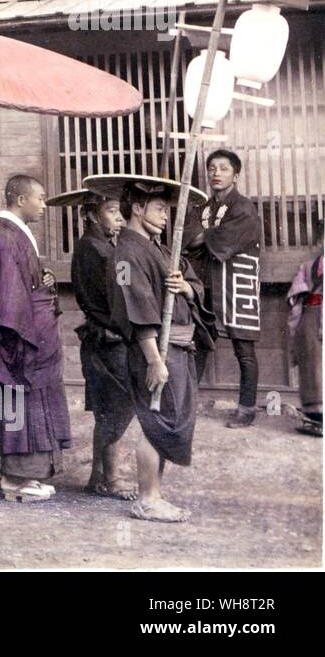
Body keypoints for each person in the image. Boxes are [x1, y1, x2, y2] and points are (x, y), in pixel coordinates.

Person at [102, 177, 207, 523]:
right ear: (136, 208)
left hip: (177, 345)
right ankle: (147, 498)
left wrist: (186, 288)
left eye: (167, 209)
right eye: (160, 208)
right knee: (155, 421)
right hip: (155, 349)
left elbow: (194, 283)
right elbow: (134, 304)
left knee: (167, 419)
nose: (166, 216)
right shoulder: (126, 253)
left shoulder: (161, 248)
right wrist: (153, 358)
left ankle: (155, 494)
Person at [0, 175, 71, 503]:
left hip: (33, 331)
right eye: (40, 198)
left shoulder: (14, 234)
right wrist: (20, 334)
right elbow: (9, 298)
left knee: (34, 402)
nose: (44, 205)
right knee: (21, 401)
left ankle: (28, 476)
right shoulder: (2, 236)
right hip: (18, 336)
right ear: (19, 199)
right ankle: (15, 478)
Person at [182, 149, 263, 428]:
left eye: (224, 168)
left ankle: (247, 408)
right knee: (200, 343)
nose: (217, 173)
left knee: (244, 349)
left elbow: (226, 239)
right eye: (212, 168)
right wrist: (206, 236)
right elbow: (188, 240)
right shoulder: (202, 208)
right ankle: (186, 404)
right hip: (206, 283)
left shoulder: (244, 207)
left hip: (235, 283)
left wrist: (205, 236)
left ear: (236, 175)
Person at [70, 190, 134, 499]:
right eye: (111, 211)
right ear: (92, 216)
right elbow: (115, 300)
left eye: (121, 211)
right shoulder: (94, 249)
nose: (120, 217)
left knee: (111, 409)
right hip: (107, 338)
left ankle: (99, 476)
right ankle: (113, 479)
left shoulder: (107, 246)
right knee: (117, 407)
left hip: (110, 336)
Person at [287, 224, 323, 437]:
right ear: (320, 242)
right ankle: (315, 418)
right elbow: (297, 291)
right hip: (310, 315)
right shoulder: (309, 266)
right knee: (312, 365)